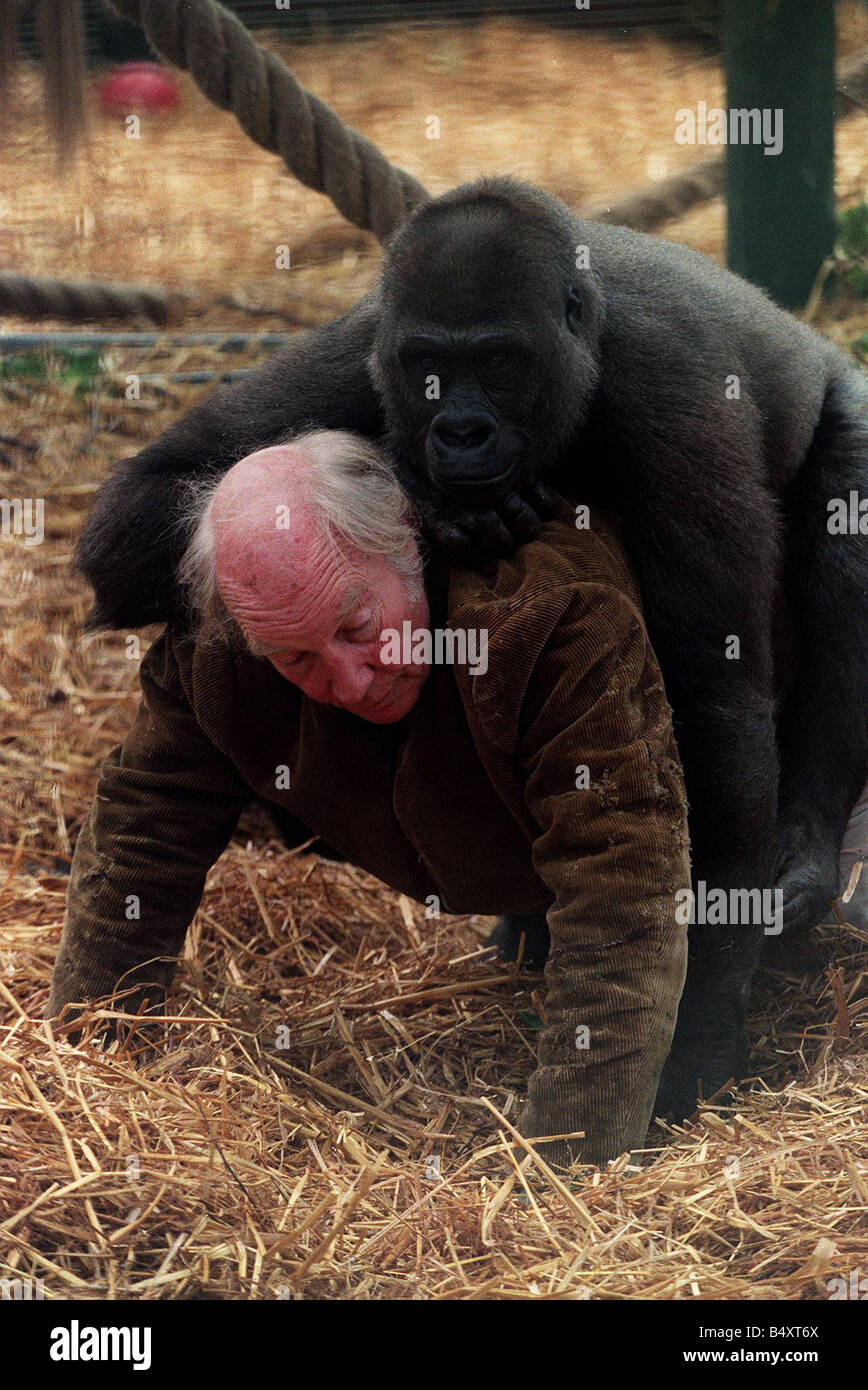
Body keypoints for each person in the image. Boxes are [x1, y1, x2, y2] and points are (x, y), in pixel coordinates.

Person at [47, 430, 691, 1168]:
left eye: (359, 627)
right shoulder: (222, 650)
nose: (351, 683)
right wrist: (83, 1075)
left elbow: (623, 884)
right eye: (296, 658)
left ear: (408, 542)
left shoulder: (548, 618)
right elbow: (142, 830)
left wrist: (568, 1166)